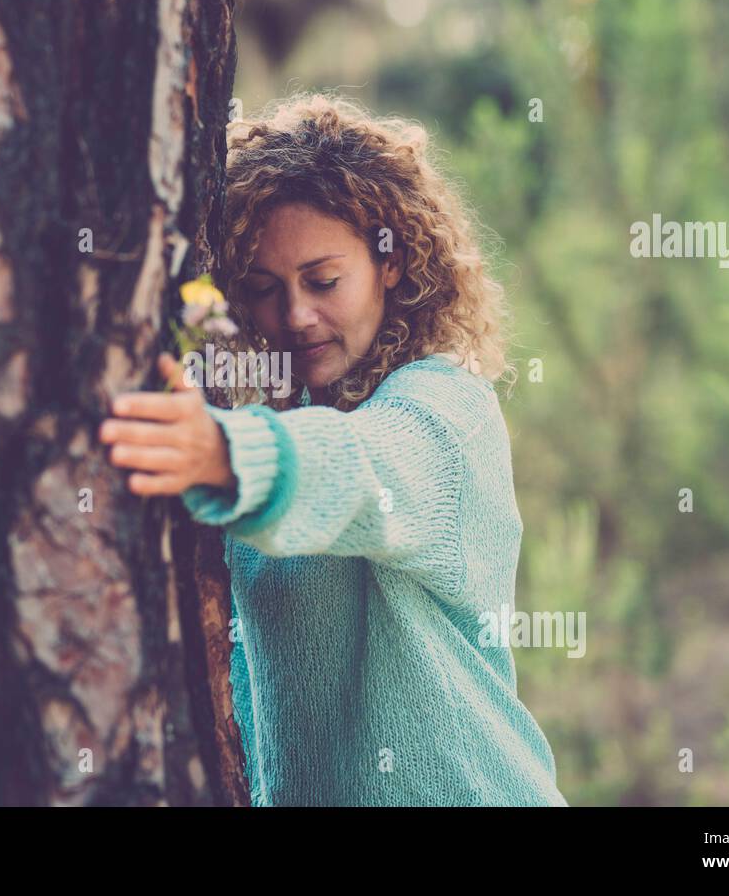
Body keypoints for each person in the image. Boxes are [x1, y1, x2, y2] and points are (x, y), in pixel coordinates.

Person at [98, 92, 568, 806]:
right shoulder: (265, 424)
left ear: (392, 260)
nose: (295, 315)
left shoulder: (447, 412)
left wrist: (225, 455)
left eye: (323, 280)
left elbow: (364, 469)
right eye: (262, 288)